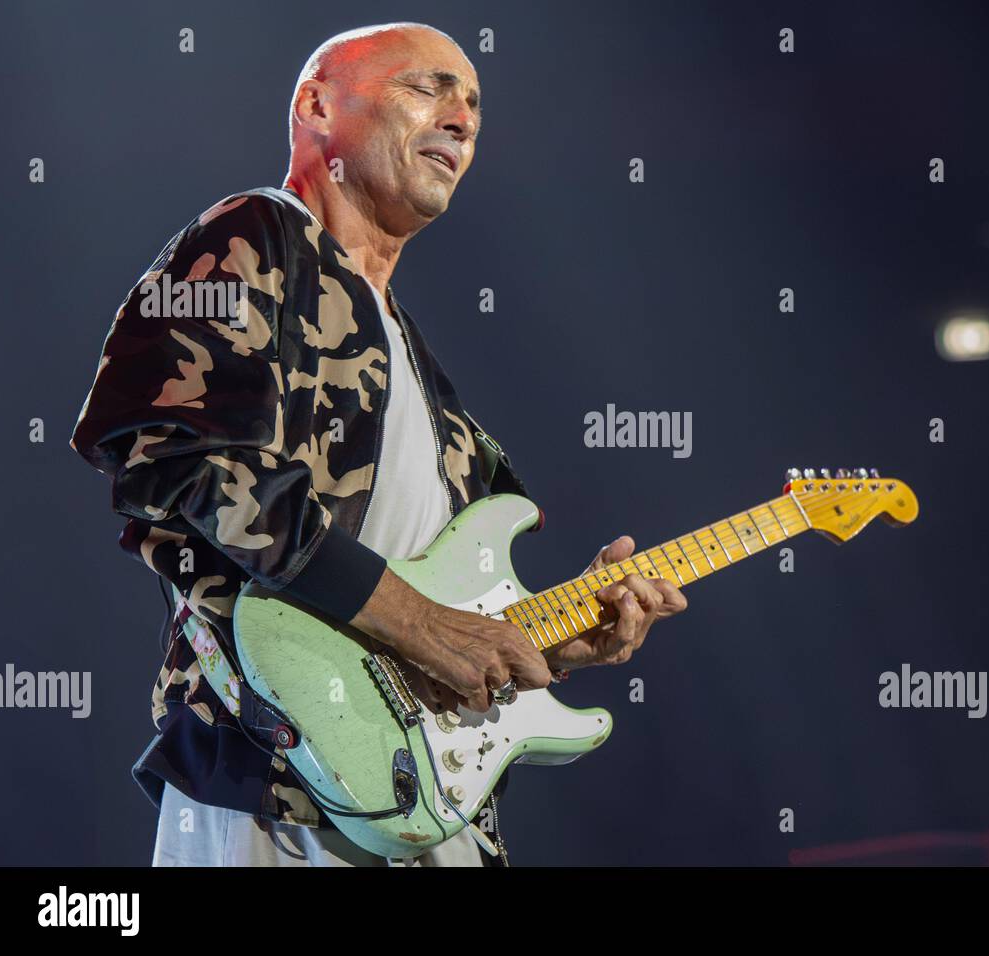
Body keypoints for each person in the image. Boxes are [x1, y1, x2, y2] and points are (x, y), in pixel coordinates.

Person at [71, 21, 687, 867]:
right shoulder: (251, 234)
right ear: (319, 105)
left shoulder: (416, 362)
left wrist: (550, 634)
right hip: (279, 777)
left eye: (473, 103)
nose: (463, 118)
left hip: (429, 791)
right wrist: (422, 624)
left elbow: (440, 591)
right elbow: (183, 455)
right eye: (427, 87)